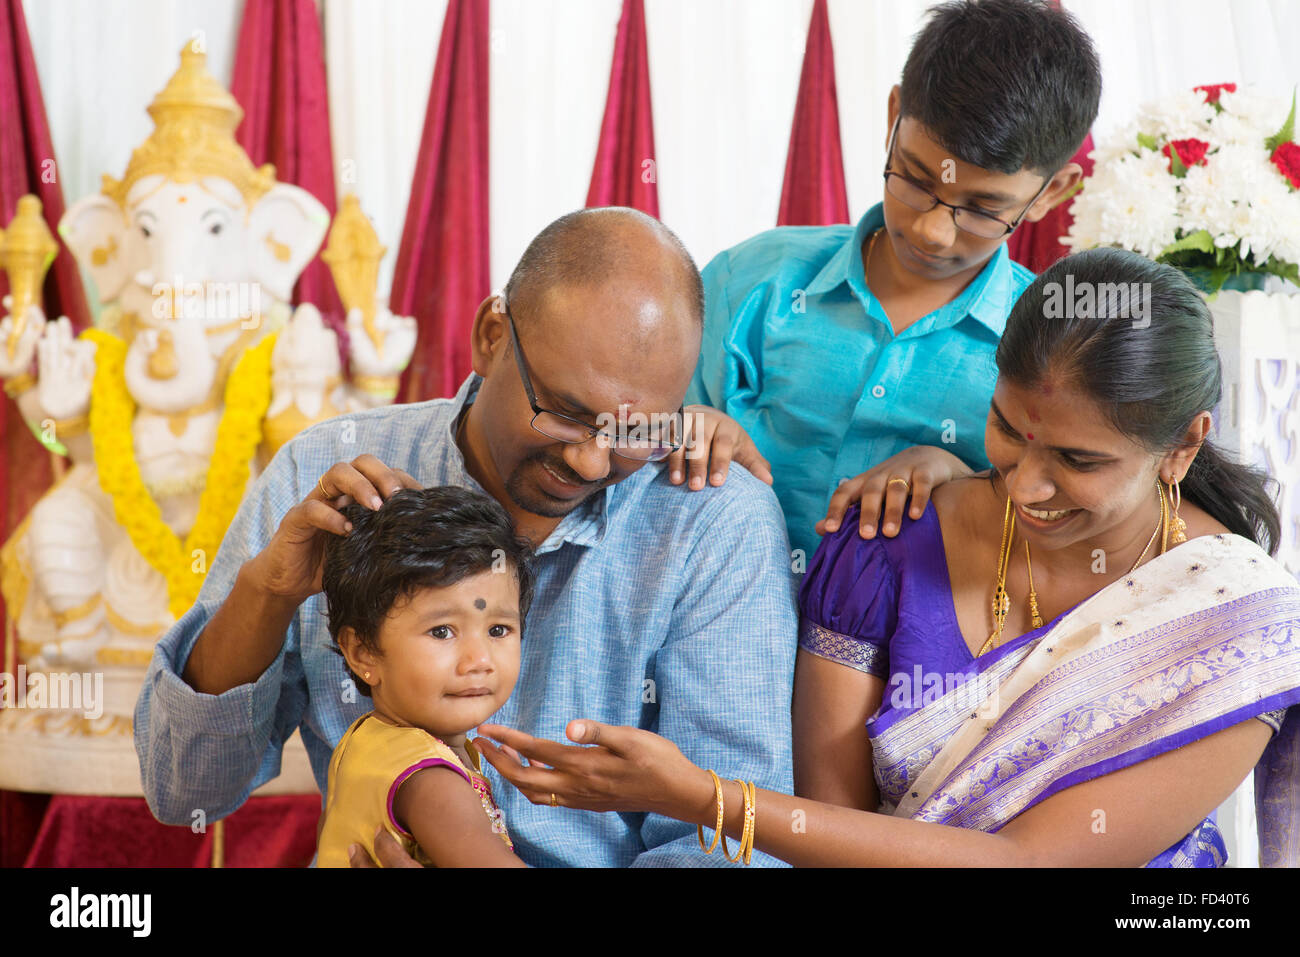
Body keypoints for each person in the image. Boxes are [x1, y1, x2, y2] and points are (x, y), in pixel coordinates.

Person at [460, 249, 1300, 867]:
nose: (1028, 485)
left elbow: (1029, 865)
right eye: (1008, 430)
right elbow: (832, 825)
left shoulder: (1237, 622)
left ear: (1183, 447)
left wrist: (697, 796)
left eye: (1079, 463)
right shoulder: (882, 542)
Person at [134, 207, 798, 867]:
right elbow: (184, 788)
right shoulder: (323, 474)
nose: (593, 462)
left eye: (637, 431)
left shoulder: (714, 523)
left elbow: (728, 850)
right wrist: (269, 591)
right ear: (490, 336)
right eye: (565, 414)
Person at [685, 0, 1101, 560]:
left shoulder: (1053, 348)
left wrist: (964, 485)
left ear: (1051, 192)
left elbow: (1064, 543)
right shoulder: (752, 282)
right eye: (914, 178)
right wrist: (684, 429)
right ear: (893, 116)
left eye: (982, 208)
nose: (932, 231)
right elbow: (624, 442)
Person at [315, 487, 532, 867]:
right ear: (362, 650)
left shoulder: (366, 739)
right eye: (442, 632)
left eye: (498, 630)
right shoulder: (430, 778)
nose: (478, 660)